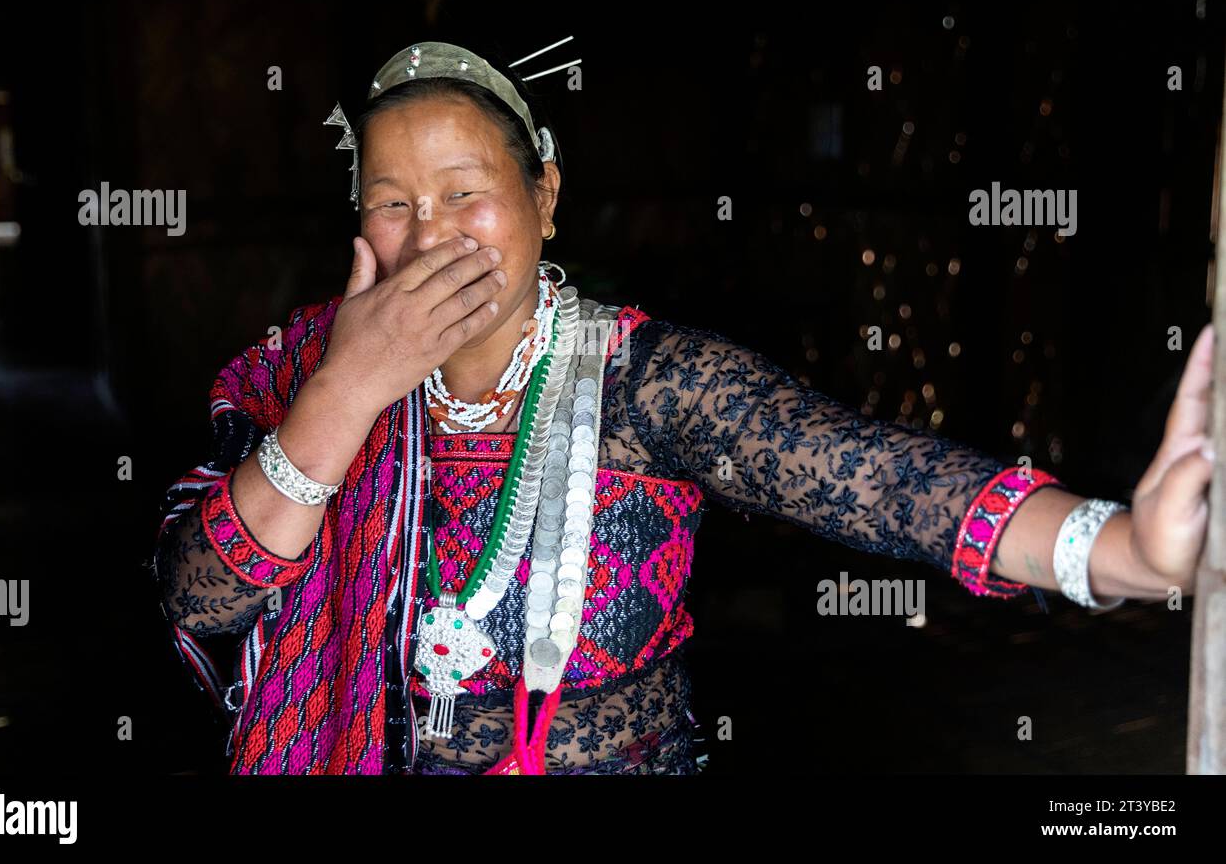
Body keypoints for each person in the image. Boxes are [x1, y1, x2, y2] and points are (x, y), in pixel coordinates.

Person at [150, 41, 1215, 775]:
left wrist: (1119, 548)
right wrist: (348, 390)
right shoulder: (303, 374)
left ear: (546, 197)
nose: (429, 233)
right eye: (391, 202)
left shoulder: (640, 378)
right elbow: (198, 600)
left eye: (465, 190)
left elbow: (878, 481)